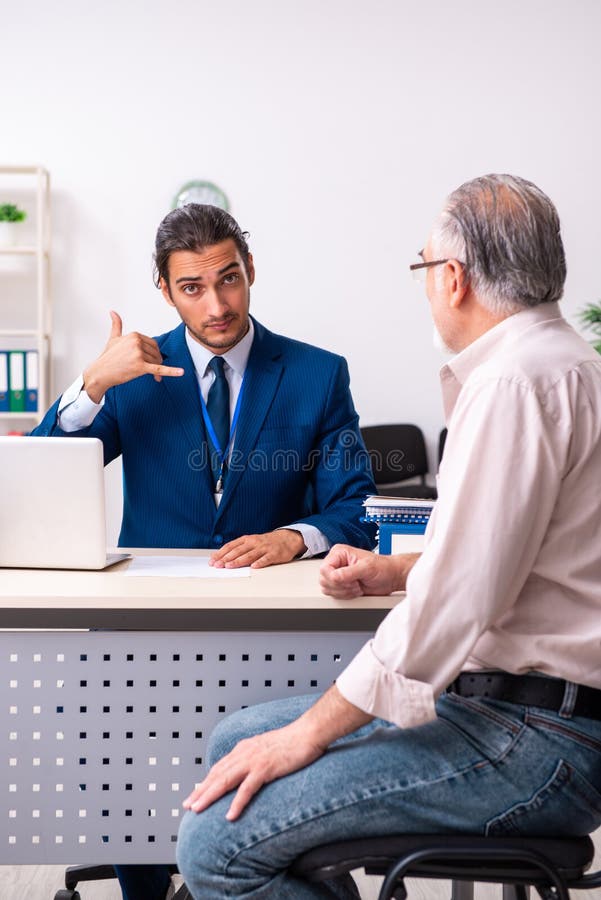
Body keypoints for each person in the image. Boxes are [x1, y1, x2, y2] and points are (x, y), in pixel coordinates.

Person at [176, 174, 601, 900]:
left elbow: (455, 605)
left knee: (216, 844)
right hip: (535, 714)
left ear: (453, 278)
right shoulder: (566, 364)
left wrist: (308, 733)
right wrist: (397, 569)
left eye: (423, 266)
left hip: (528, 739)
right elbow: (513, 555)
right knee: (234, 739)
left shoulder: (511, 384)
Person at [33, 204, 376, 900]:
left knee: (263, 785)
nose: (216, 304)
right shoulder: (133, 372)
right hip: (142, 628)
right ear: (164, 290)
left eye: (229, 280)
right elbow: (39, 477)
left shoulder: (315, 374)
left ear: (250, 271)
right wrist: (92, 383)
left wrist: (293, 537)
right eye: (192, 287)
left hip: (268, 631)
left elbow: (355, 509)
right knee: (123, 769)